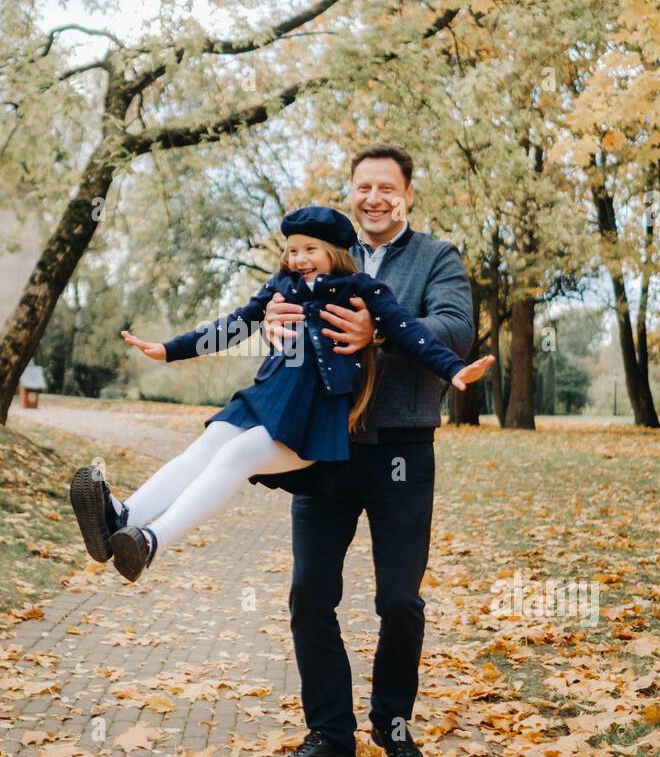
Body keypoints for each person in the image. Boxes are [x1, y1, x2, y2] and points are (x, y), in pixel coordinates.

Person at [69, 205, 493, 587]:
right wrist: (169, 350)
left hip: (314, 415)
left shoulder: (362, 290)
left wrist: (453, 368)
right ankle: (123, 518)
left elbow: (409, 332)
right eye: (292, 250)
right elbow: (236, 324)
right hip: (268, 395)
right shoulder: (282, 285)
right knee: (208, 445)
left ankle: (150, 541)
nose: (299, 259)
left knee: (234, 457)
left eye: (310, 249)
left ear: (336, 251)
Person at [258, 142, 477, 757]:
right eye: (364, 187)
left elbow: (456, 328)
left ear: (407, 194)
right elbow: (281, 334)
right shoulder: (324, 258)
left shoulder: (437, 257)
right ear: (351, 193)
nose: (375, 198)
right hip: (324, 448)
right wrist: (277, 325)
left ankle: (393, 728)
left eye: (387, 187)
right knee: (309, 594)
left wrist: (379, 330)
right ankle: (330, 734)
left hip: (402, 450)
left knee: (400, 601)